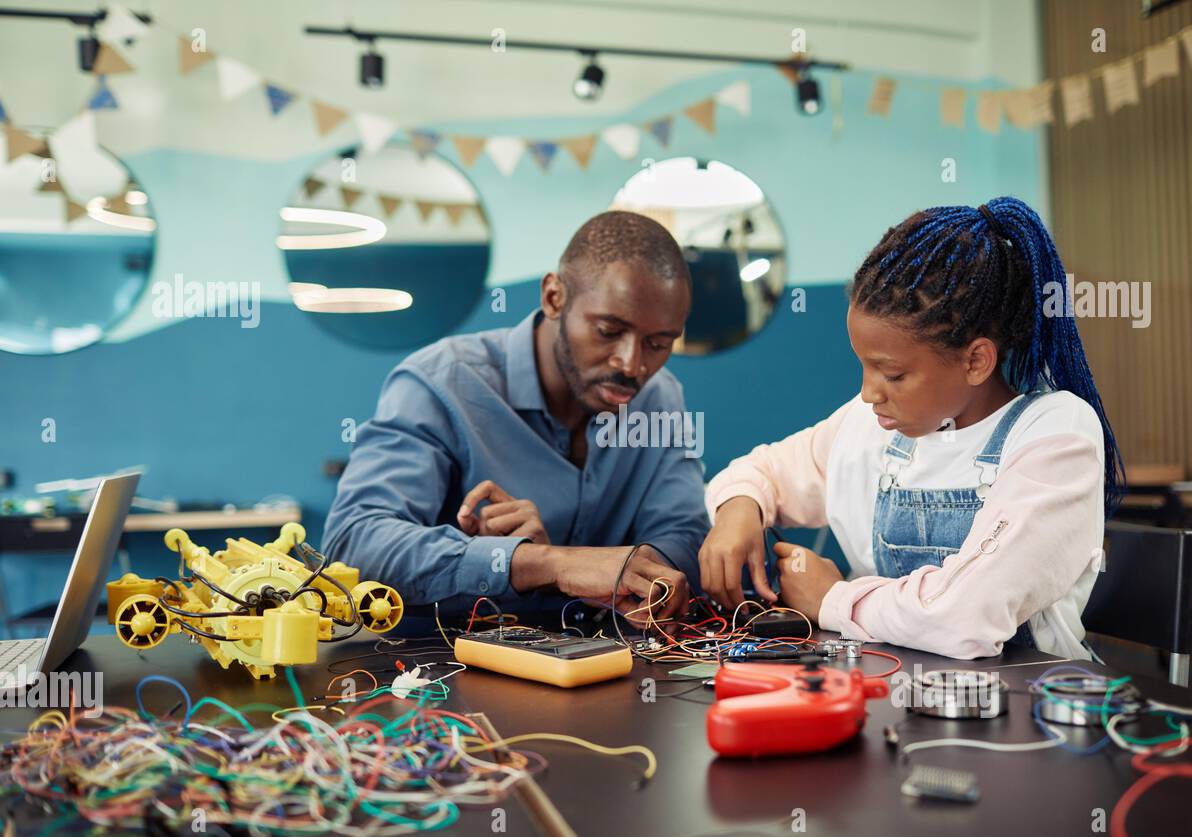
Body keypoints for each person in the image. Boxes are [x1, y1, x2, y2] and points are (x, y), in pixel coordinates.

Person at [699, 197, 1124, 660]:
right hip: (892, 699)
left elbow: (967, 617)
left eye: (892, 374)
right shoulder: (871, 428)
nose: (868, 393)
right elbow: (763, 472)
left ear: (976, 360)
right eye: (863, 366)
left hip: (1026, 711)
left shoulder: (1056, 435)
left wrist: (831, 599)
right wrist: (739, 508)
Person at [323, 211, 709, 622]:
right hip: (442, 670)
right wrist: (540, 563)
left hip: (612, 667)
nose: (632, 365)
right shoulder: (442, 381)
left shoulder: (660, 396)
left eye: (657, 343)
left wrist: (645, 572)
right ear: (554, 297)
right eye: (609, 331)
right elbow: (352, 544)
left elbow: (684, 533)